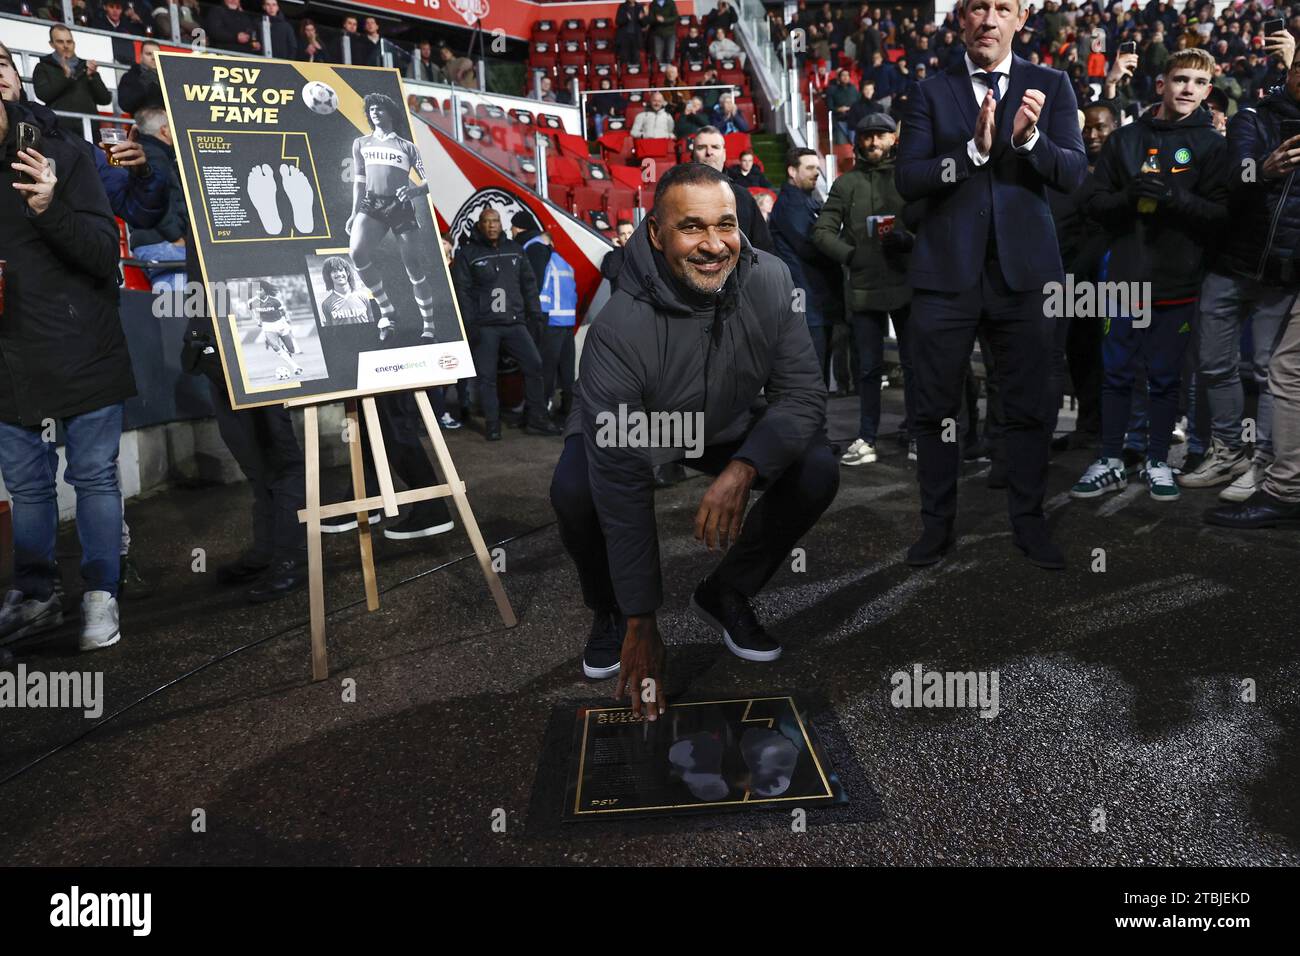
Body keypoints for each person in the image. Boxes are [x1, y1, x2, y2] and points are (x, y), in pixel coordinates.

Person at [548, 164, 837, 704]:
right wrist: (641, 619)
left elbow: (801, 396)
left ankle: (726, 590)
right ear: (656, 234)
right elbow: (621, 481)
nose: (713, 245)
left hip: (720, 418)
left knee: (815, 468)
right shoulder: (618, 328)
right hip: (637, 422)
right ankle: (609, 607)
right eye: (692, 228)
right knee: (577, 492)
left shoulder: (771, 279)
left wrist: (744, 466)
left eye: (724, 225)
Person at [895, 0, 1087, 570]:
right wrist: (973, 153)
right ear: (961, 20)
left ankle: (1029, 524)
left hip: (1025, 278)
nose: (989, 18)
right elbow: (908, 180)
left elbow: (1074, 173)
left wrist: (1028, 143)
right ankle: (936, 526)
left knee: (1029, 408)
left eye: (1003, 8)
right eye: (978, 7)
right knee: (934, 410)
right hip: (944, 278)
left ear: (1021, 21)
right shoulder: (930, 91)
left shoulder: (1051, 84)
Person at [0, 95, 136, 651]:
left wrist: (48, 205)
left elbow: (105, 255)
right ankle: (36, 596)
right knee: (27, 487)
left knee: (95, 476)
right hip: (10, 357)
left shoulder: (64, 155)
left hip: (84, 347)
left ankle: (101, 593)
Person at [1068, 47, 1228, 504]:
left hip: (1178, 283)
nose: (1187, 90)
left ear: (1208, 91)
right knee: (1116, 373)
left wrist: (1175, 199)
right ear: (1161, 84)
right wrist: (1128, 197)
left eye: (1198, 83)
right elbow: (1093, 205)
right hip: (1124, 282)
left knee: (1163, 378)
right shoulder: (1124, 141)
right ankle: (1112, 459)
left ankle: (1158, 459)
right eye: (1180, 80)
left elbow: (1221, 216)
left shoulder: (1213, 147)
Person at [1180, 51, 1300, 503]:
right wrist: (1265, 170)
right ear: (1290, 70)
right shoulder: (1254, 116)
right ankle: (1228, 450)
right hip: (1230, 262)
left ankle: (1264, 462)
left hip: (1284, 276)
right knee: (1213, 363)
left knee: (1273, 375)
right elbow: (1237, 173)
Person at [815, 113, 915, 465]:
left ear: (893, 139)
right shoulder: (846, 183)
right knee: (869, 370)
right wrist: (851, 255)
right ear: (858, 142)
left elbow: (932, 223)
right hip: (864, 289)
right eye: (868, 136)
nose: (874, 143)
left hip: (906, 285)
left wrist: (909, 240)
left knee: (914, 364)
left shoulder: (908, 178)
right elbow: (822, 231)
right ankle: (866, 438)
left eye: (881, 136)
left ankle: (918, 434)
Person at [451, 208, 562, 440]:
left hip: (514, 323)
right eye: (487, 221)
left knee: (535, 365)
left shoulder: (515, 250)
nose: (492, 225)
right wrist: (471, 325)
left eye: (496, 221)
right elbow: (463, 293)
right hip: (486, 326)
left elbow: (529, 285)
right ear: (479, 225)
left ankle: (536, 419)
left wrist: (535, 315)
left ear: (501, 224)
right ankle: (493, 424)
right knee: (487, 376)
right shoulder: (468, 254)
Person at [347, 94, 439, 342]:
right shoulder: (360, 143)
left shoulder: (408, 147)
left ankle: (429, 325)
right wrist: (354, 211)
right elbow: (360, 181)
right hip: (372, 204)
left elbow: (433, 180)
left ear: (390, 114)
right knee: (356, 253)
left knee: (414, 267)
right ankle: (387, 309)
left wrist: (415, 190)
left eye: (379, 108)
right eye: (371, 109)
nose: (375, 112)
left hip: (400, 206)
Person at [770, 147, 842, 384]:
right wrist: (844, 252)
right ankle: (810, 420)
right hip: (807, 301)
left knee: (817, 370)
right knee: (811, 373)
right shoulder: (792, 204)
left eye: (817, 167)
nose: (817, 173)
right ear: (792, 171)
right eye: (809, 168)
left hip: (818, 298)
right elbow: (811, 248)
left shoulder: (805, 201)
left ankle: (814, 419)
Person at [128, 108, 188, 292]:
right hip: (163, 243)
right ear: (164, 130)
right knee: (178, 310)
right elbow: (152, 198)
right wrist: (175, 237)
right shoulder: (152, 154)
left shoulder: (149, 152)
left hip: (158, 242)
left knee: (180, 309)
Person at [691, 126, 774, 253]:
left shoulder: (743, 196)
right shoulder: (677, 194)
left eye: (715, 147)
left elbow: (763, 247)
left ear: (724, 154)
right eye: (701, 147)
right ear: (693, 154)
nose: (709, 152)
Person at [32, 25, 111, 136]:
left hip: (89, 131)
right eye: (60, 42)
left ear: (74, 43)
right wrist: (66, 77)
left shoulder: (86, 67)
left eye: (69, 42)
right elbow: (43, 94)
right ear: (52, 44)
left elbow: (105, 99)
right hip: (59, 131)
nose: (65, 46)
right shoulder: (43, 66)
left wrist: (92, 77)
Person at [89, 0, 146, 65]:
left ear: (122, 10)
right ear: (105, 7)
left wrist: (139, 21)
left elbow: (143, 37)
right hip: (105, 61)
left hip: (128, 63)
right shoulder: (98, 24)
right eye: (111, 7)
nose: (115, 11)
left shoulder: (127, 25)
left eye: (118, 8)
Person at [117, 40, 165, 115]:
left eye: (157, 54)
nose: (153, 58)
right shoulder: (130, 77)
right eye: (149, 54)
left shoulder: (168, 77)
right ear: (141, 56)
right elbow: (125, 105)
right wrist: (145, 84)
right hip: (142, 123)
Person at [827, 67, 863, 143]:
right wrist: (838, 109)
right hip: (840, 119)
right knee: (841, 143)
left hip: (853, 120)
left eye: (847, 75)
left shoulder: (854, 89)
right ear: (839, 78)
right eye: (843, 75)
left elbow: (860, 104)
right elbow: (829, 107)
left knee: (854, 143)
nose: (845, 77)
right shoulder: (832, 90)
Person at [615, 0, 646, 66]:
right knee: (624, 60)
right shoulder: (622, 6)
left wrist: (642, 18)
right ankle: (625, 74)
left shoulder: (640, 7)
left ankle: (635, 75)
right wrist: (626, 18)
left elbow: (644, 24)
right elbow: (618, 21)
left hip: (636, 38)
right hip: (624, 38)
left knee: (636, 59)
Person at [648, 0, 679, 66]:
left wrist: (664, 20)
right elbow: (650, 19)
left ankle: (670, 75)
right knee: (658, 56)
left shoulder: (671, 2)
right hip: (658, 34)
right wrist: (656, 19)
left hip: (670, 33)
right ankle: (660, 74)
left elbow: (676, 17)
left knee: (670, 56)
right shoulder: (653, 4)